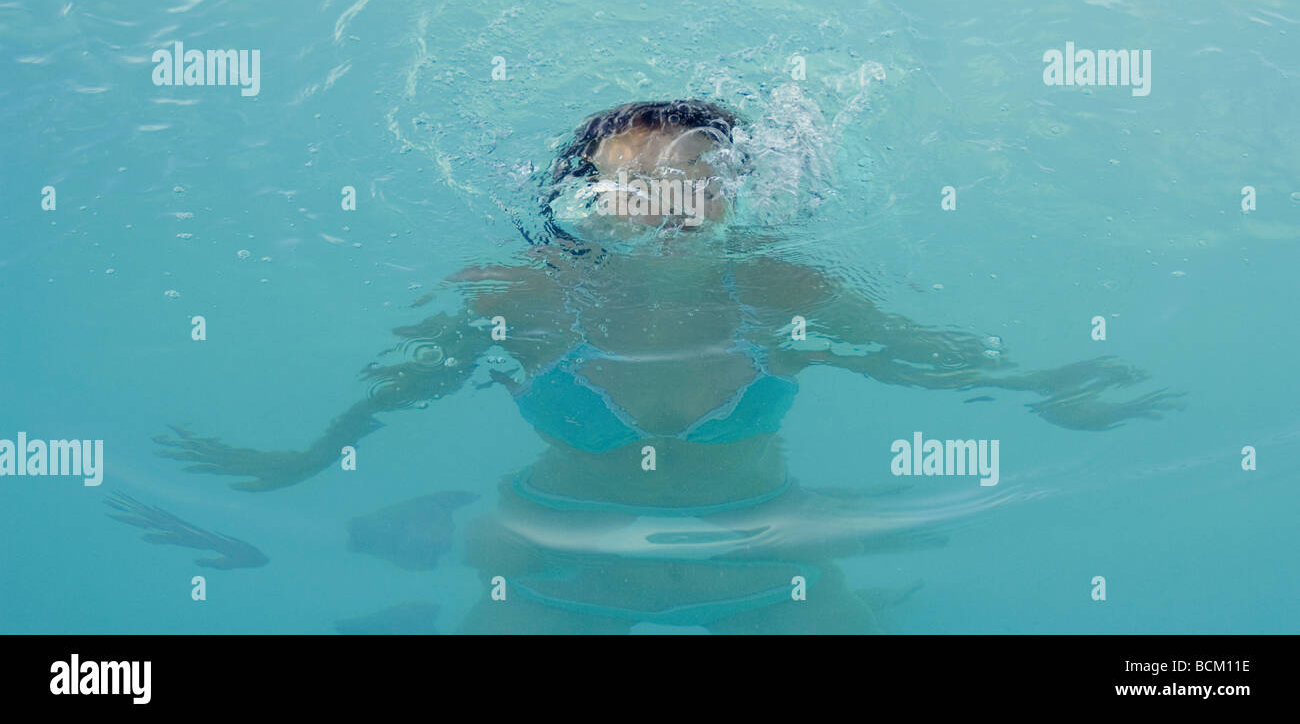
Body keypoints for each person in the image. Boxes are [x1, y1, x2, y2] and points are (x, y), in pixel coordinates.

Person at [155, 99, 1181, 632]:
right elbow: (399, 389)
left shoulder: (779, 292)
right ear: (577, 200)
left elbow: (919, 360)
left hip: (768, 569)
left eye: (702, 182)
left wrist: (1048, 390)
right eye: (636, 187)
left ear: (742, 194)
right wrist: (300, 459)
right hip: (553, 573)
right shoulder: (515, 297)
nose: (674, 208)